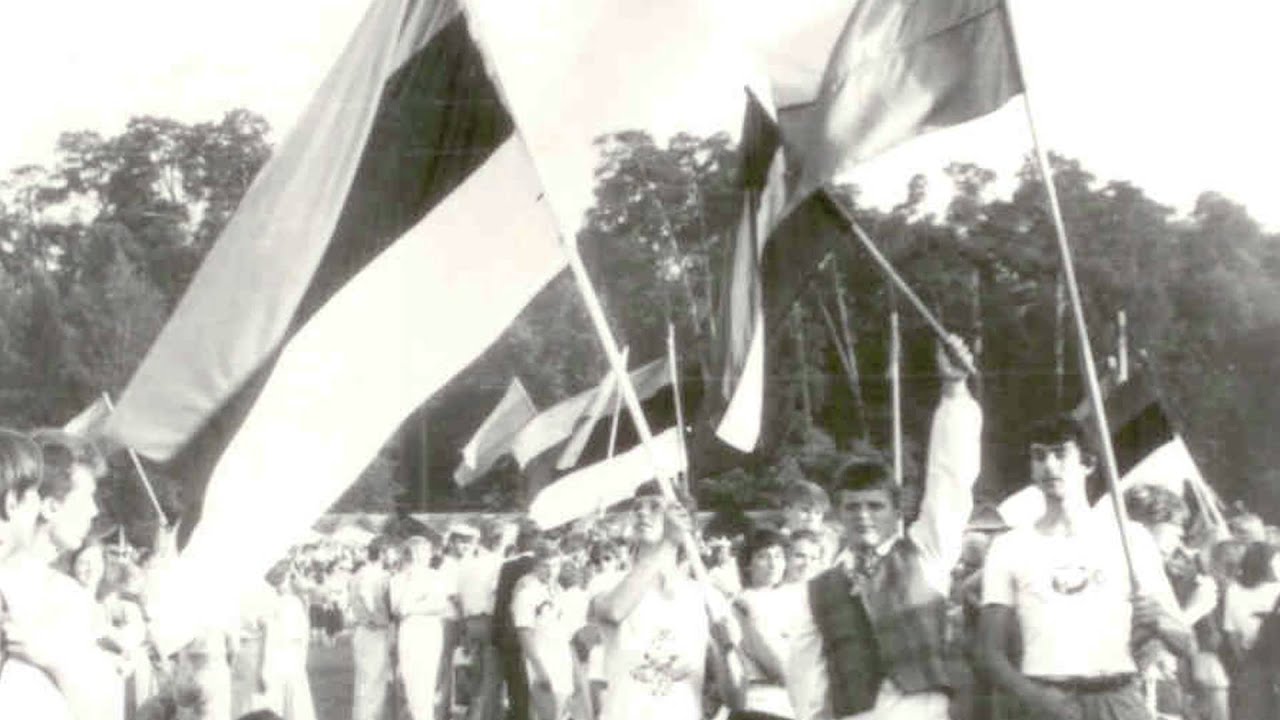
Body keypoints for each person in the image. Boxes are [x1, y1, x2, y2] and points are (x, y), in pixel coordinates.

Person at [783, 336, 980, 720]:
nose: (863, 516)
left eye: (875, 506)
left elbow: (950, 478)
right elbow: (802, 669)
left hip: (923, 710)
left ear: (897, 510)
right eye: (852, 507)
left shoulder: (926, 551)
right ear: (837, 515)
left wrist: (954, 390)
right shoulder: (820, 587)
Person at [978, 413, 1191, 720]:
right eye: (1039, 456)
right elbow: (988, 653)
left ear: (1088, 463)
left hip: (1116, 699)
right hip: (1045, 700)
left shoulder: (1131, 538)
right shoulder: (1010, 546)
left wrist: (1158, 621)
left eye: (1061, 454)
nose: (1049, 465)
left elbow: (1185, 641)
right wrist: (1036, 698)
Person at [589, 482, 745, 720]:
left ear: (684, 523)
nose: (642, 512)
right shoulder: (607, 582)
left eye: (655, 507)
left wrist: (727, 650)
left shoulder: (705, 595)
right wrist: (668, 542)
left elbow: (736, 699)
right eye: (637, 507)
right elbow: (614, 611)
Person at [0, 432, 122, 720]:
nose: (94, 511)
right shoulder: (56, 595)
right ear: (48, 505)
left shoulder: (71, 596)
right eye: (88, 496)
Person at [391, 534, 459, 720]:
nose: (429, 555)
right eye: (425, 551)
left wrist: (414, 606)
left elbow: (440, 605)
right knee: (409, 679)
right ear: (413, 553)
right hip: (409, 631)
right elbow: (398, 608)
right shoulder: (398, 579)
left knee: (427, 680)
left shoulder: (436, 576)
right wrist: (420, 598)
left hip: (429, 631)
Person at [734, 527, 794, 718]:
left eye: (778, 556)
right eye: (763, 556)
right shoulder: (747, 602)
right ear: (747, 565)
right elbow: (777, 664)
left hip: (789, 703)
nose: (773, 563)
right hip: (761, 703)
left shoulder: (788, 599)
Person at [512, 540, 574, 720]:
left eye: (554, 565)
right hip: (542, 661)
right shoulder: (526, 592)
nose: (550, 570)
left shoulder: (558, 591)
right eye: (545, 566)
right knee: (544, 714)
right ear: (536, 565)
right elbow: (524, 634)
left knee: (559, 715)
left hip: (562, 659)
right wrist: (539, 669)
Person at [494, 521, 543, 720]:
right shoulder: (543, 565)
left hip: (512, 634)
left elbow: (501, 603)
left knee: (516, 688)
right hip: (539, 633)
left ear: (519, 541)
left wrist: (496, 636)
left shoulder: (508, 567)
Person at [259, 563, 317, 720]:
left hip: (285, 655)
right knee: (290, 701)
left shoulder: (289, 602)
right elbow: (301, 634)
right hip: (284, 655)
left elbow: (302, 634)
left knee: (288, 700)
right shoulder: (284, 603)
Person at [349, 536, 395, 720]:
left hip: (363, 631)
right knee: (374, 683)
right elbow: (366, 597)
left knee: (365, 683)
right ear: (383, 553)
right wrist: (377, 618)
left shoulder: (359, 573)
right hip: (373, 631)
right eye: (390, 552)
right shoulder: (377, 575)